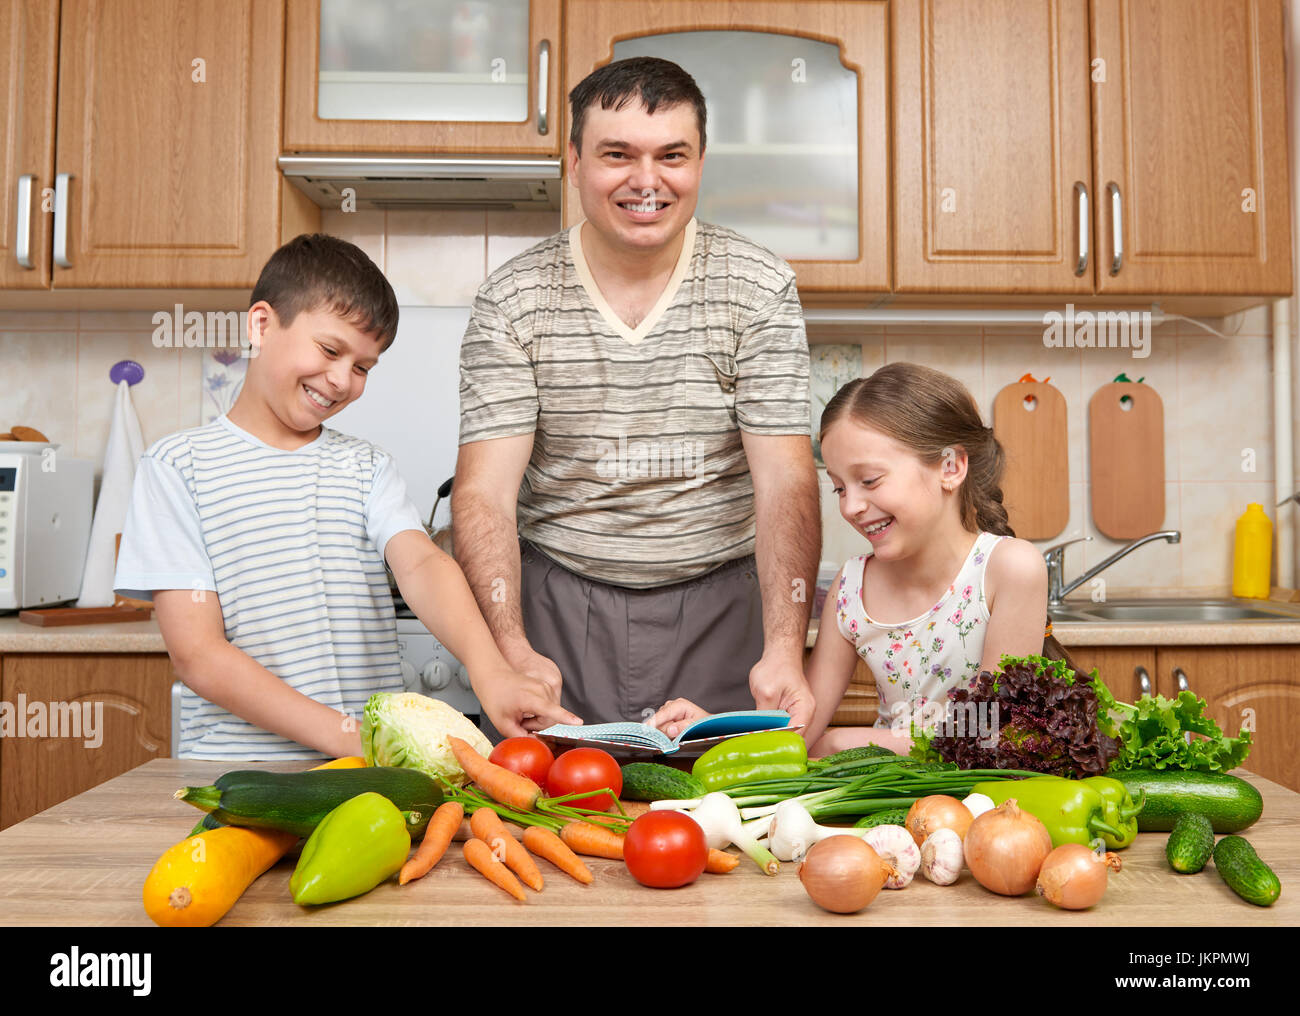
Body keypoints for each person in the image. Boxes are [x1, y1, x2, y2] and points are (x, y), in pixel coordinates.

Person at [453, 56, 820, 741]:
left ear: (701, 162)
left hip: (723, 609)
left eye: (671, 156)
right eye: (616, 154)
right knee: (554, 817)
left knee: (723, 823)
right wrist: (508, 643)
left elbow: (786, 482)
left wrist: (781, 646)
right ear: (573, 161)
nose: (646, 181)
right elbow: (483, 495)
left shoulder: (760, 288)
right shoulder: (511, 301)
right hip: (554, 610)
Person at [113, 234, 574, 760]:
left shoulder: (366, 467)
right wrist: (354, 739)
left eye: (362, 368)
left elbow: (421, 564)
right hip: (237, 774)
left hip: (366, 780)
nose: (340, 381)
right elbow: (199, 655)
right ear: (262, 324)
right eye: (330, 350)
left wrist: (489, 668)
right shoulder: (176, 468)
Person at [801, 362, 1049, 754]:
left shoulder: (1009, 569)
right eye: (838, 488)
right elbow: (799, 732)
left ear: (951, 467)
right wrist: (712, 730)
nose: (851, 506)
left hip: (978, 803)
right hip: (879, 798)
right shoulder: (850, 587)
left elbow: (992, 732)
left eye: (868, 481)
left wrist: (846, 741)